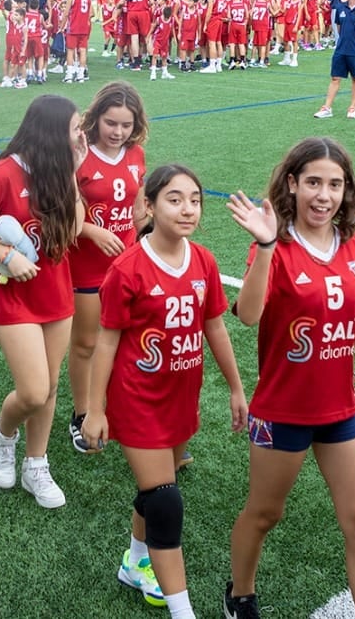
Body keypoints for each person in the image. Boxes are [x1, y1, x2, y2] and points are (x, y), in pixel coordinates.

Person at [223, 137, 355, 619]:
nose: (324, 196)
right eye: (313, 182)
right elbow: (249, 315)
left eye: (335, 184)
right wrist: (266, 246)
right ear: (292, 184)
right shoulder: (274, 246)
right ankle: (240, 593)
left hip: (339, 411)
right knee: (265, 514)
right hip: (282, 412)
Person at [80, 165, 247, 619]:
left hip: (180, 398)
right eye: (174, 199)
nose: (187, 209)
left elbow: (214, 326)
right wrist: (94, 410)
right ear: (150, 207)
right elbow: (106, 342)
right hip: (136, 401)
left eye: (195, 200)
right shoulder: (127, 268)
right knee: (165, 501)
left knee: (157, 487)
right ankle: (182, 610)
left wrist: (236, 388)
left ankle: (135, 562)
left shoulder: (204, 261)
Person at [0, 93, 86, 509]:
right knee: (32, 391)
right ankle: (2, 432)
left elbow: (74, 230)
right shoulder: (3, 175)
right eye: (75, 128)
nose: (81, 135)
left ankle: (36, 464)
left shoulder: (59, 169)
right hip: (15, 297)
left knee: (50, 387)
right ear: (52, 132)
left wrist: (74, 174)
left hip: (56, 292)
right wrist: (6, 256)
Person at [65, 82, 148, 456]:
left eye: (126, 125)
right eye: (110, 123)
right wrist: (92, 231)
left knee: (125, 341)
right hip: (85, 266)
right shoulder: (79, 156)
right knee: (86, 343)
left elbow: (137, 210)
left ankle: (119, 408)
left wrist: (151, 235)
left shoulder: (136, 154)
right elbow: (62, 216)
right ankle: (81, 414)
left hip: (126, 267)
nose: (118, 132)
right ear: (95, 118)